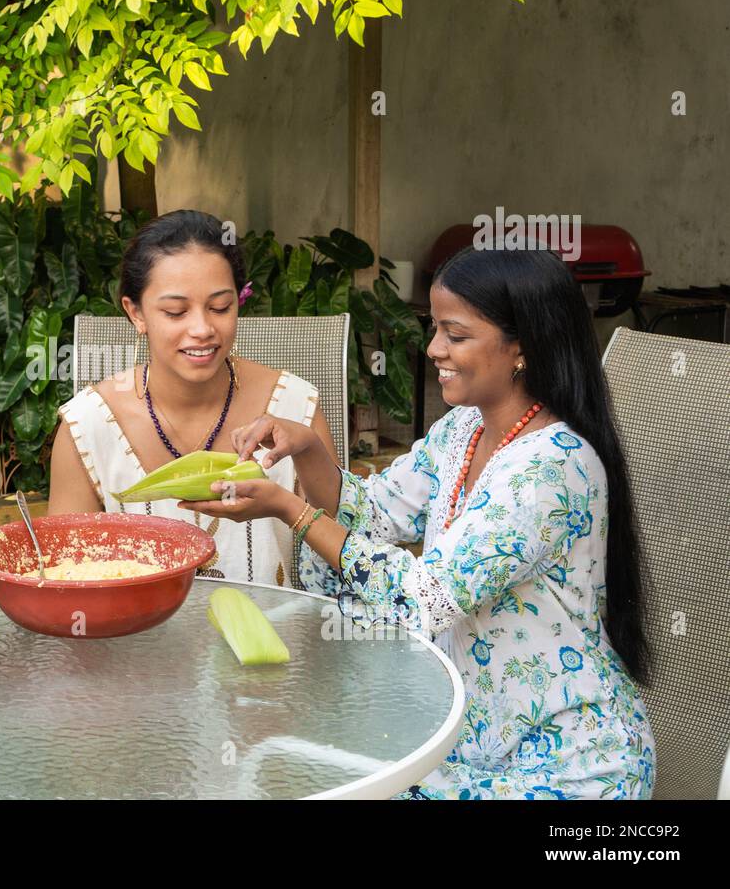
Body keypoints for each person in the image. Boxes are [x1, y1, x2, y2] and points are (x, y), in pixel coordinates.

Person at [182, 246, 654, 799]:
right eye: (435, 329)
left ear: (520, 345)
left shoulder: (548, 469)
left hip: (565, 764)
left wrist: (293, 511)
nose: (433, 349)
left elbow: (426, 600)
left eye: (455, 335)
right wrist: (306, 449)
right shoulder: (465, 429)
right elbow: (375, 513)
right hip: (466, 741)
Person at [49, 209, 340, 588]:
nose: (202, 329)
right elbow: (67, 579)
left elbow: (344, 547)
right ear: (135, 313)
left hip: (275, 643)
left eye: (220, 307)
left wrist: (305, 461)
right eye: (175, 311)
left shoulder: (294, 408)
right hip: (133, 646)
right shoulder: (87, 427)